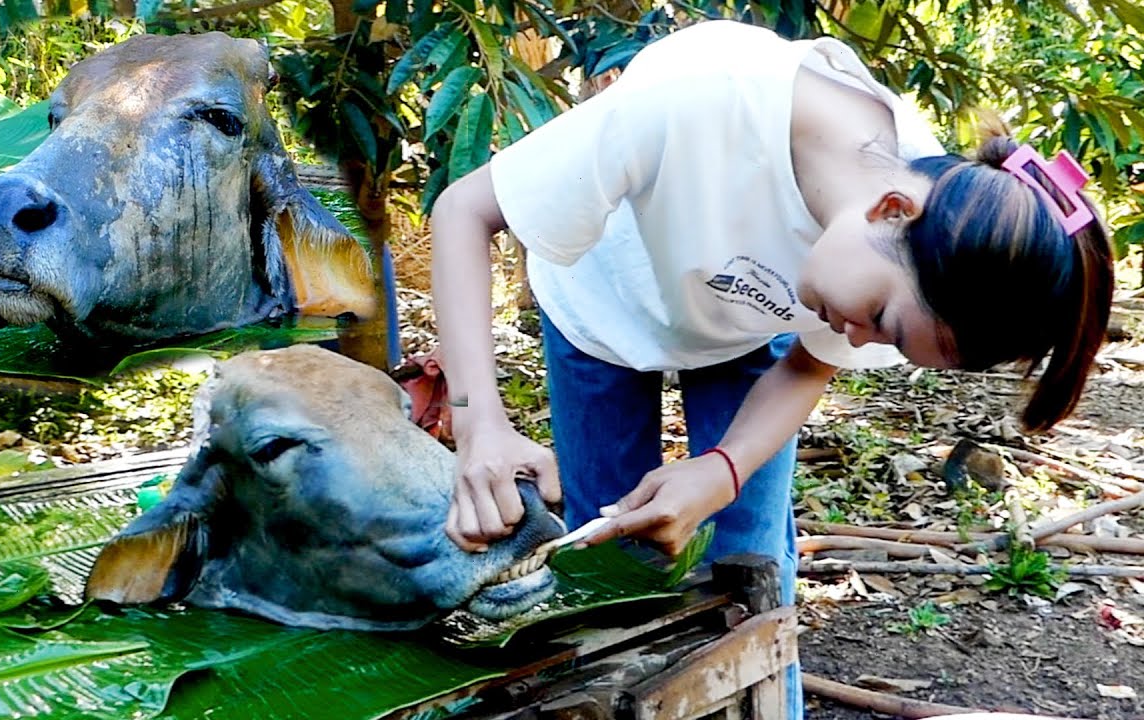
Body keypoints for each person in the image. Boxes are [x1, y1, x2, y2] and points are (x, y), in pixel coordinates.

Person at [428, 18, 1113, 718]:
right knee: (609, 557)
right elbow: (464, 210)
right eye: (879, 321)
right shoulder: (700, 100)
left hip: (745, 322)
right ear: (889, 210)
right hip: (600, 299)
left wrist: (723, 470)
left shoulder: (925, 228)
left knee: (752, 552)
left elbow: (812, 361)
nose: (856, 337)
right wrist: (480, 427)